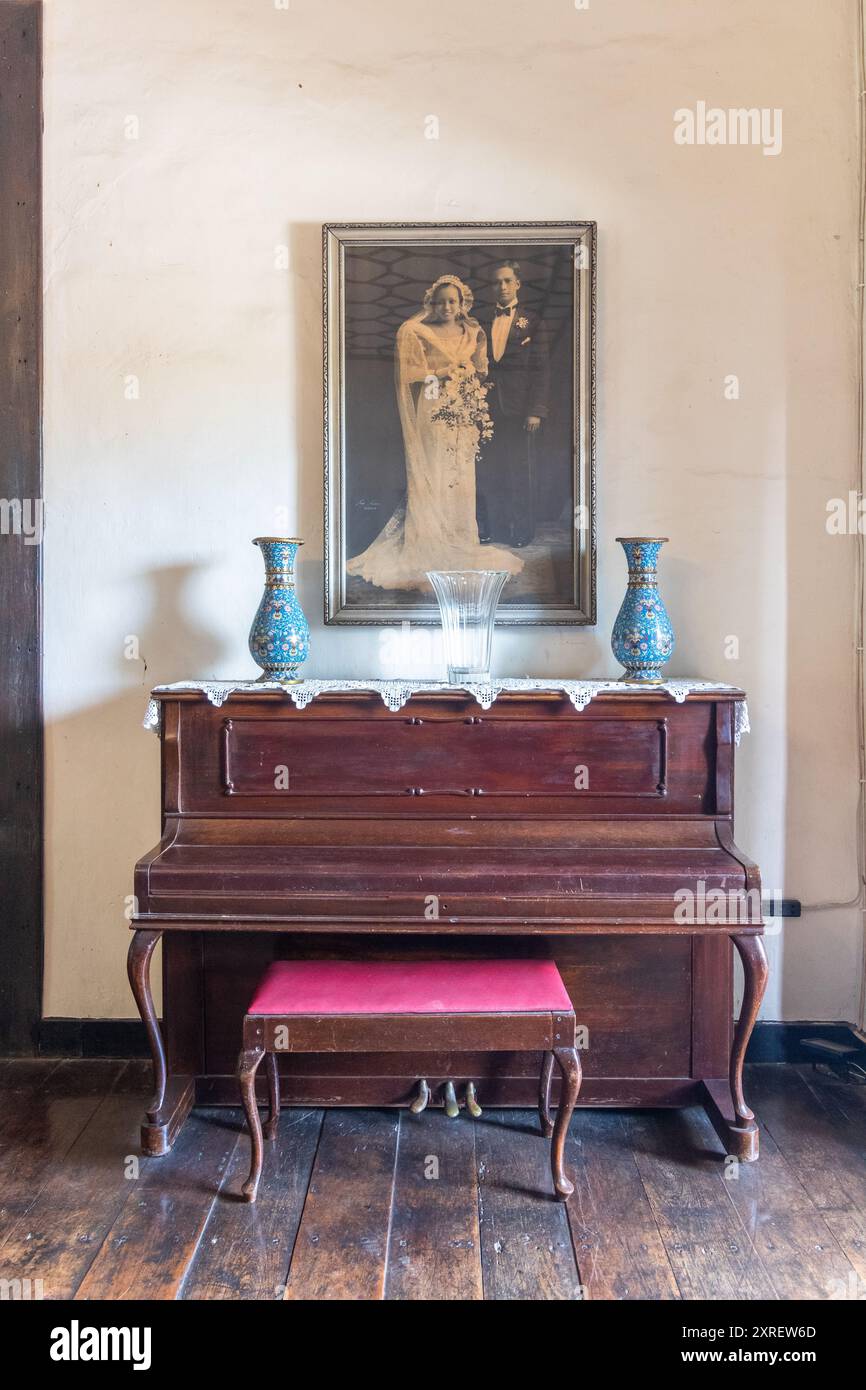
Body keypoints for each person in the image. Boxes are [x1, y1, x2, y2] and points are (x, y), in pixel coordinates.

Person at [347, 274, 523, 592]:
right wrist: (444, 374)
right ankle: (430, 541)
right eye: (440, 301)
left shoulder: (473, 331)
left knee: (462, 477)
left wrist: (470, 380)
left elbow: (481, 369)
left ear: (462, 303)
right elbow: (412, 375)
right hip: (432, 410)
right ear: (430, 303)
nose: (446, 307)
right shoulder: (415, 331)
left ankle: (458, 539)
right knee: (435, 474)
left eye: (452, 301)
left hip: (464, 411)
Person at [476, 260, 550, 548]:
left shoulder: (532, 322)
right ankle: (491, 528)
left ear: (517, 284)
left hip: (520, 410)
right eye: (497, 282)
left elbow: (542, 370)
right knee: (489, 471)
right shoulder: (480, 321)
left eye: (507, 281)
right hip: (486, 409)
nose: (502, 287)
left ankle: (521, 531)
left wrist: (536, 411)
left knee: (520, 471)